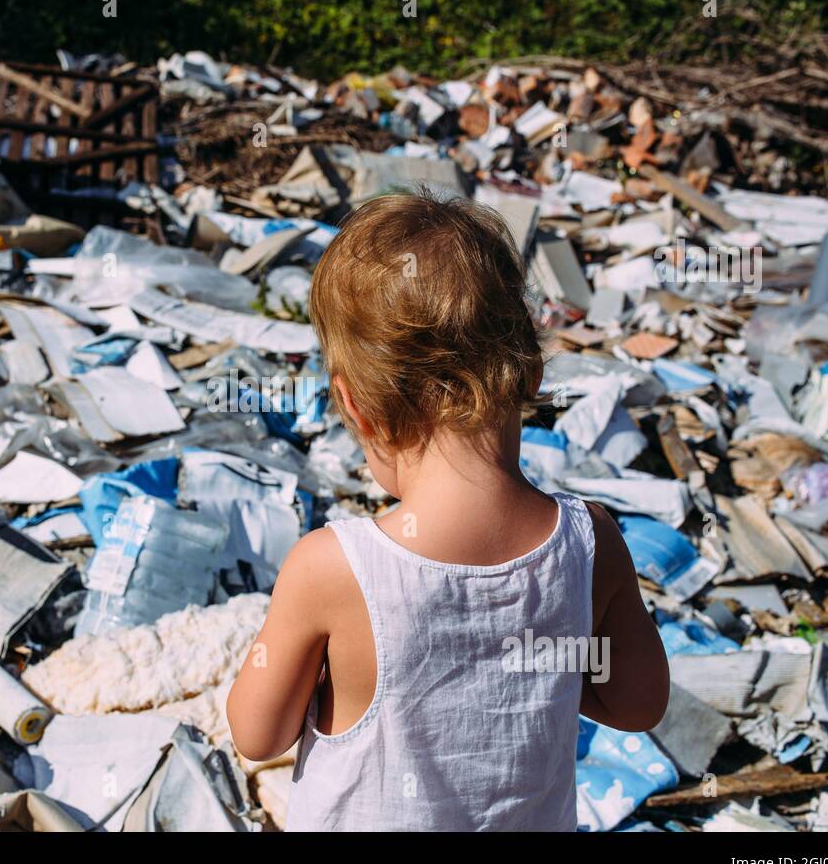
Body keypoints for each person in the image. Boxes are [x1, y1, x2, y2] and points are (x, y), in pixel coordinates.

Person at [226, 190, 669, 831]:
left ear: (355, 408)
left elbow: (258, 733)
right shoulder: (590, 540)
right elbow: (639, 702)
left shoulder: (332, 567)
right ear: (533, 373)